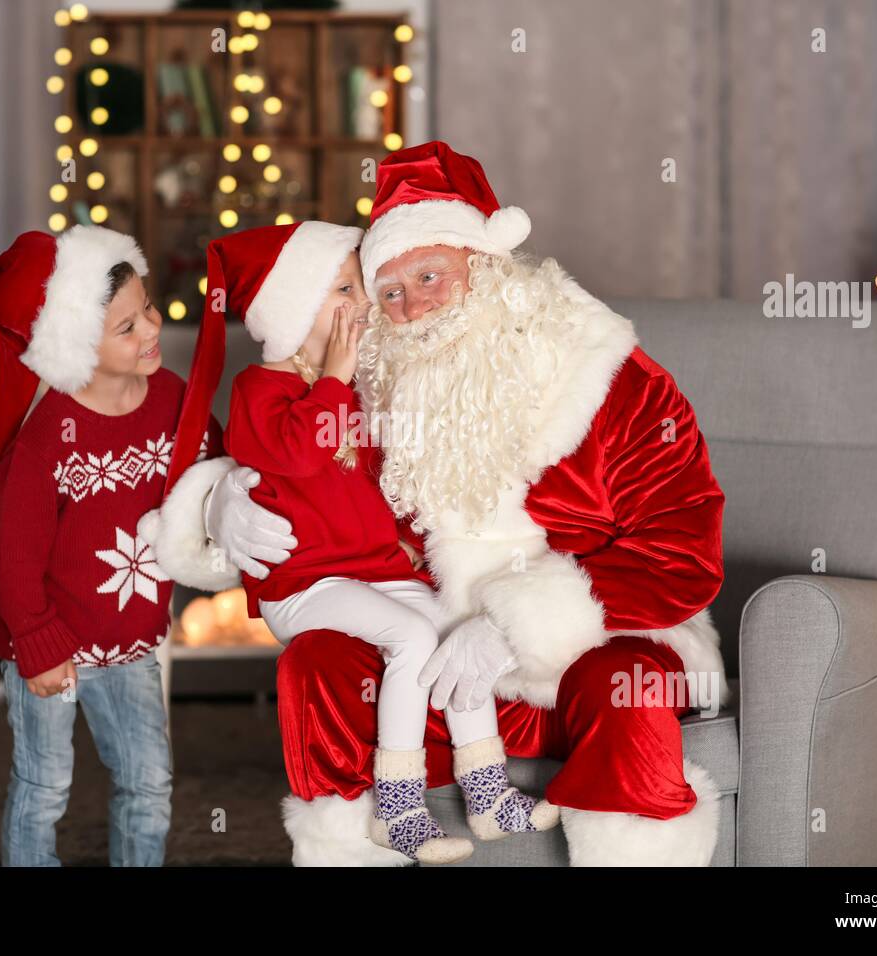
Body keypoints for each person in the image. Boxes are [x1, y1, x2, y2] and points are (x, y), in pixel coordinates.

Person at [155, 142, 729, 867]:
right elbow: (297, 464)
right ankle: (367, 843)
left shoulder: (614, 378)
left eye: (430, 275)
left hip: (589, 654)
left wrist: (515, 625)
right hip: (444, 671)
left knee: (627, 692)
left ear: (486, 266)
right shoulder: (373, 388)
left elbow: (682, 555)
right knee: (321, 665)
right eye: (388, 292)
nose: (413, 307)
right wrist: (218, 505)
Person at [0, 225, 223, 866]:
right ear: (80, 344)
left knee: (148, 782)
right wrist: (41, 645)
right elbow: (13, 558)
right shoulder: (48, 438)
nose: (152, 330)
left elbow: (214, 468)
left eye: (148, 310)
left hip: (132, 646)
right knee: (45, 787)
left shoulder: (171, 400)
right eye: (127, 327)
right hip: (50, 650)